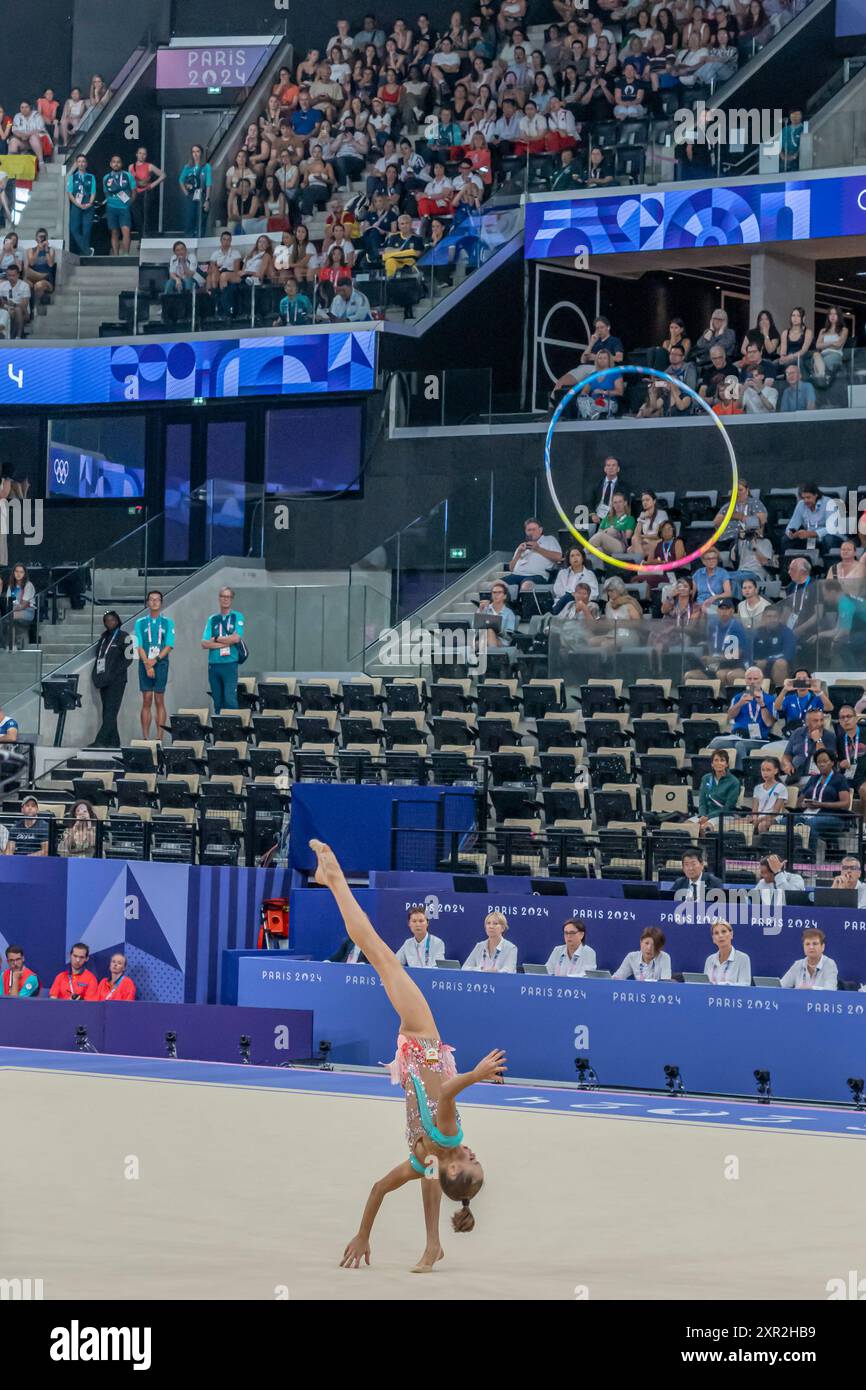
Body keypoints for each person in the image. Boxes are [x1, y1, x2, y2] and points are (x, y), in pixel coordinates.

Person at [311, 840, 505, 1271]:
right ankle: (333, 882)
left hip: (423, 1044)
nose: (474, 1152)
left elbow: (450, 1091)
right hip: (421, 1042)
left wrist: (477, 1073)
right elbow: (387, 1186)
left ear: (456, 1170)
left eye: (473, 1162)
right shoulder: (427, 1161)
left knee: (380, 953)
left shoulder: (442, 1147)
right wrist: (363, 1232)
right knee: (380, 958)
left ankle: (336, 880)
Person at [709, 665, 776, 764]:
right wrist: (739, 704)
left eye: (755, 679)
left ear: (761, 681)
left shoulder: (770, 699)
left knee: (740, 745)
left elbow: (769, 723)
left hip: (758, 739)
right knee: (715, 743)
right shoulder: (738, 697)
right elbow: (730, 716)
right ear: (745, 681)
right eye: (749, 679)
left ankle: (741, 774)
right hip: (738, 736)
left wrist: (762, 705)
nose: (752, 681)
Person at [135, 591, 175, 742]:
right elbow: (139, 645)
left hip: (161, 663)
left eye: (157, 600)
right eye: (151, 600)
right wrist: (147, 664)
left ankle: (159, 737)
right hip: (144, 663)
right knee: (146, 698)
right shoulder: (140, 622)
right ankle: (145, 737)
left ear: (161, 603)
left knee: (159, 699)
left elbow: (169, 645)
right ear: (147, 603)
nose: (154, 602)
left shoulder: (168, 622)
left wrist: (155, 661)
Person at [794, 749, 852, 850]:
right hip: (809, 814)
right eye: (819, 762)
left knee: (811, 824)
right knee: (787, 821)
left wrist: (821, 804)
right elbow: (799, 802)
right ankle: (792, 854)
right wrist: (804, 804)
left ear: (832, 762)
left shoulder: (839, 779)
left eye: (825, 761)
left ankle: (810, 856)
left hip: (833, 817)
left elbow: (845, 804)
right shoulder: (813, 779)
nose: (821, 764)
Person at [202, 586, 245, 715]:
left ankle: (233, 732)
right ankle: (219, 732)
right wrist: (225, 643)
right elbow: (204, 643)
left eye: (228, 597)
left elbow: (236, 638)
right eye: (223, 596)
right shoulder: (212, 619)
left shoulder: (237, 616)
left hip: (229, 664)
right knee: (218, 700)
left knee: (230, 699)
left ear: (231, 599)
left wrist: (215, 639)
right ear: (219, 598)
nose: (225, 599)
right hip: (214, 664)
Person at [91, 610, 131, 748]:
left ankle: (100, 740)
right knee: (106, 711)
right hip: (103, 680)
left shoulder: (125, 636)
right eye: (107, 620)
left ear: (118, 620)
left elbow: (129, 659)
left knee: (111, 711)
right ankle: (114, 743)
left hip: (117, 681)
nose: (110, 623)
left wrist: (113, 674)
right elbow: (99, 658)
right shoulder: (103, 637)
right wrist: (96, 676)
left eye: (112, 620)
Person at [505, 517, 562, 597]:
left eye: (534, 529)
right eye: (529, 530)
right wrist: (518, 553)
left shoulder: (549, 540)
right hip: (517, 575)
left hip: (536, 576)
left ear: (540, 530)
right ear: (525, 532)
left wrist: (538, 549)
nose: (531, 532)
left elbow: (558, 557)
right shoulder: (522, 546)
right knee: (496, 585)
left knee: (526, 585)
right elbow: (511, 568)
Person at [782, 706, 838, 780]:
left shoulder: (830, 736)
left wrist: (818, 740)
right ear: (807, 722)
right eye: (816, 721)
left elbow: (825, 759)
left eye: (821, 720)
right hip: (795, 775)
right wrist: (787, 764)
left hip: (818, 777)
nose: (820, 723)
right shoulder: (797, 733)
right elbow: (786, 755)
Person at [697, 749, 741, 832]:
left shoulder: (734, 782)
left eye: (722, 760)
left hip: (724, 815)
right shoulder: (706, 778)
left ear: (727, 764)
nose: (719, 763)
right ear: (712, 764)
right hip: (706, 815)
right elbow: (702, 802)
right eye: (716, 760)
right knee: (688, 825)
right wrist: (702, 815)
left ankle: (705, 845)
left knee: (705, 827)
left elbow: (728, 807)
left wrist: (708, 817)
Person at [102, 154, 135, 256]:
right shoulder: (106, 177)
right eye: (114, 162)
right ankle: (115, 256)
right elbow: (106, 192)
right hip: (111, 208)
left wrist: (129, 203)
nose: (116, 164)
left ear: (121, 164)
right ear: (111, 164)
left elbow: (134, 191)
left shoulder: (127, 175)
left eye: (118, 162)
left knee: (126, 231)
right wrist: (111, 201)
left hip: (124, 208)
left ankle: (126, 254)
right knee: (114, 232)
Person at [551, 547, 599, 614]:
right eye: (572, 556)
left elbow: (594, 594)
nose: (575, 558)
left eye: (578, 555)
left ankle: (553, 614)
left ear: (582, 558)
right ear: (569, 560)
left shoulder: (589, 574)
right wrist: (571, 594)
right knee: (568, 597)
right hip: (562, 603)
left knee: (569, 597)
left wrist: (577, 596)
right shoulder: (563, 573)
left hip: (580, 604)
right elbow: (557, 590)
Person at [178, 145, 212, 238]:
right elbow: (181, 180)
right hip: (191, 194)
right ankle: (189, 238)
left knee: (201, 219)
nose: (195, 154)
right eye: (193, 152)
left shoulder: (206, 166)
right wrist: (186, 192)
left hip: (202, 193)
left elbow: (209, 183)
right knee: (190, 217)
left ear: (201, 153)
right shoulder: (188, 167)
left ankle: (200, 238)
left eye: (197, 151)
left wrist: (207, 199)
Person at [67, 153, 97, 257]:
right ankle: (87, 250)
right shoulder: (72, 177)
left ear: (86, 164)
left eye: (83, 161)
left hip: (88, 204)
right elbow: (70, 193)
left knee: (86, 230)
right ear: (76, 164)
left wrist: (90, 203)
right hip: (76, 204)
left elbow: (93, 192)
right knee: (73, 228)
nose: (81, 164)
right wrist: (78, 204)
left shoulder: (91, 177)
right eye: (79, 162)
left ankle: (85, 253)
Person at [703, 920, 751, 985]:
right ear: (713, 939)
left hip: (734, 995)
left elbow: (745, 985)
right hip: (710, 995)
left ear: (731, 934)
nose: (720, 935)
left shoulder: (743, 958)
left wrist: (727, 985)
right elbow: (705, 985)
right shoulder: (709, 959)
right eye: (716, 933)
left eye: (724, 931)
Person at [751, 759, 789, 832]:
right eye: (763, 770)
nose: (765, 773)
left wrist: (759, 819)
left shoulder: (781, 787)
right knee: (737, 822)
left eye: (768, 770)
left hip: (773, 818)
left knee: (762, 825)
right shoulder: (757, 788)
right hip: (758, 817)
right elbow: (754, 810)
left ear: (775, 771)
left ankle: (763, 843)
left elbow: (775, 812)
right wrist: (755, 817)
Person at [594, 490, 636, 556]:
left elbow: (627, 536)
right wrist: (608, 531)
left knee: (602, 535)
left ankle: (582, 553)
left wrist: (612, 531)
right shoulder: (607, 518)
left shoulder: (630, 519)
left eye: (620, 502)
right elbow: (598, 533)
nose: (617, 504)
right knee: (598, 550)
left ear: (625, 503)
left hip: (620, 545)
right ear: (612, 505)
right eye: (615, 502)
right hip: (604, 545)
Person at [5, 563, 36, 648]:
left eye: (21, 572)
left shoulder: (28, 585)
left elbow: (24, 605)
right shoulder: (11, 586)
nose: (18, 574)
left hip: (27, 611)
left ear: (24, 574)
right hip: (14, 610)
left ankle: (11, 644)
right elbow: (9, 601)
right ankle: (11, 644)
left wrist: (10, 609)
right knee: (7, 618)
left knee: (8, 616)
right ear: (13, 573)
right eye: (16, 571)